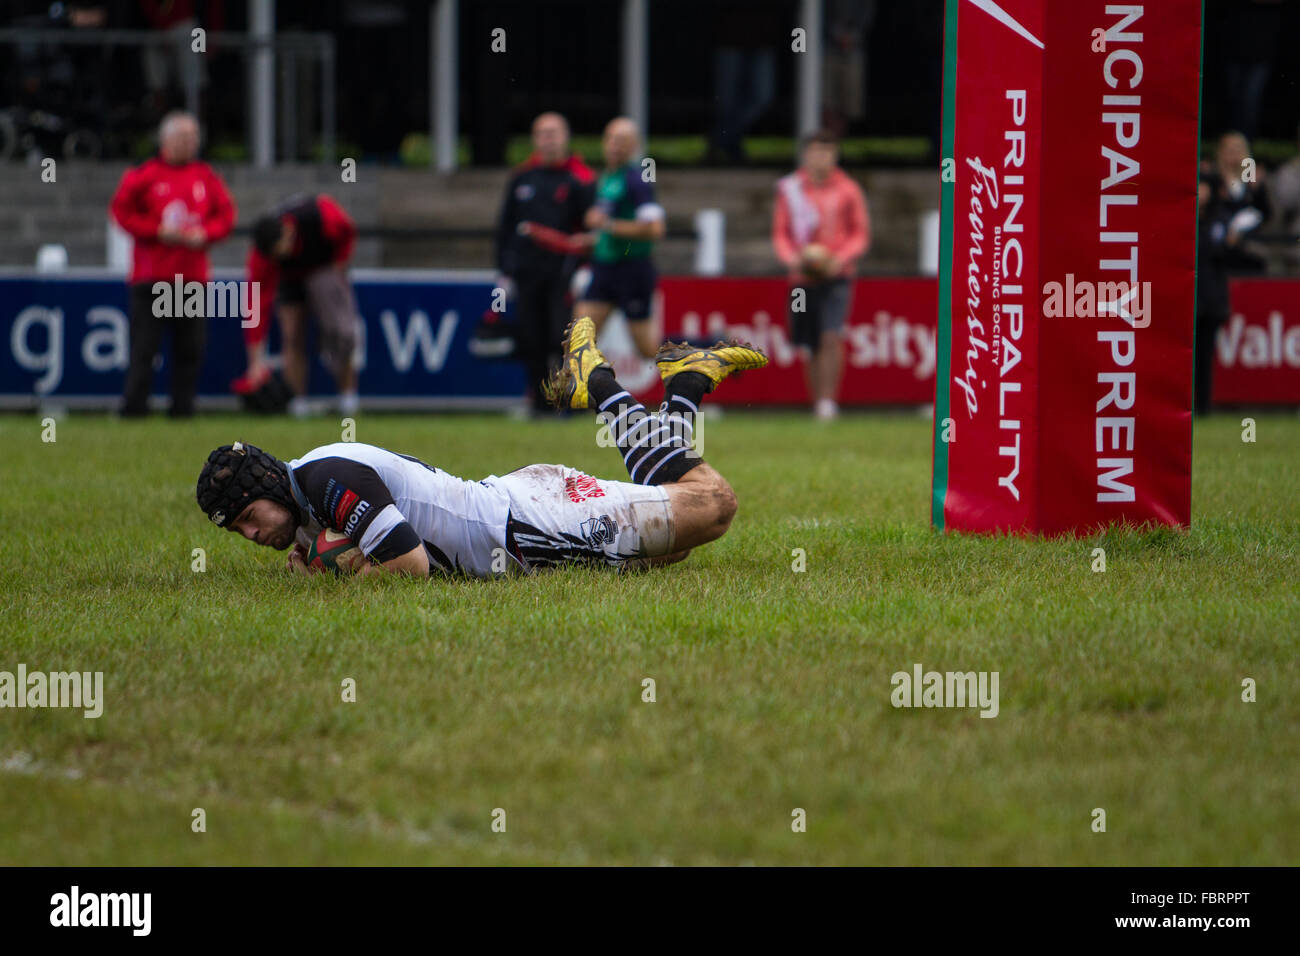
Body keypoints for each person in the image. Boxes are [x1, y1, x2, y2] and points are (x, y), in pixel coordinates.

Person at [195, 319, 768, 578]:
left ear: (270, 484)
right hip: (519, 510)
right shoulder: (305, 497)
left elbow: (410, 567)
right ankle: (685, 382)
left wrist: (337, 575)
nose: (252, 535)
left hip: (532, 525)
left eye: (249, 516)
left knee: (713, 506)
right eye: (237, 531)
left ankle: (605, 382)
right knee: (670, 554)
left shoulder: (324, 480)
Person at [109, 111, 235, 418]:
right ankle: (134, 408)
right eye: (184, 137)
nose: (190, 144)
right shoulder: (144, 175)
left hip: (191, 278)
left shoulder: (205, 176)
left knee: (189, 349)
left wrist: (205, 235)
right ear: (166, 140)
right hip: (152, 278)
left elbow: (226, 216)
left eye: (193, 138)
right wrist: (156, 231)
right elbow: (122, 212)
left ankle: (183, 409)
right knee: (144, 348)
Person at [493, 112, 595, 414]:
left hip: (564, 273)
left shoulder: (582, 179)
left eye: (554, 133)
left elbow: (592, 229)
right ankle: (538, 403)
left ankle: (569, 403)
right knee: (530, 338)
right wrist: (504, 272)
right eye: (542, 134)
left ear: (565, 137)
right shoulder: (521, 177)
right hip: (527, 273)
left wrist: (586, 267)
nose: (548, 140)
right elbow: (505, 228)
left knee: (560, 338)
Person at [771, 129, 870, 420]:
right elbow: (781, 233)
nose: (821, 158)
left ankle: (829, 401)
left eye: (827, 152)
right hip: (802, 279)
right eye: (815, 151)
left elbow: (859, 234)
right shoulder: (791, 189)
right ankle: (817, 401)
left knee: (831, 334)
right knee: (810, 339)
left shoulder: (848, 189)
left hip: (837, 275)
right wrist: (794, 260)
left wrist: (838, 260)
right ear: (806, 155)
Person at [240, 194, 362, 417]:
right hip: (291, 280)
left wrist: (339, 265)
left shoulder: (319, 214)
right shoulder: (263, 257)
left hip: (324, 268)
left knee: (341, 332)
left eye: (281, 250)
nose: (280, 256)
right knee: (291, 334)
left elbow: (348, 230)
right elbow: (256, 306)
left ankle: (348, 398)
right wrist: (255, 363)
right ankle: (297, 401)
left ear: (287, 233)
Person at [571, 117, 665, 360]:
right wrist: (594, 239)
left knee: (648, 351)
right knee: (579, 342)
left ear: (634, 146)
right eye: (611, 139)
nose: (615, 145)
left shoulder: (638, 181)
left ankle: (709, 347)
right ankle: (590, 396)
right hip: (604, 268)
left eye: (622, 141)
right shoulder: (605, 178)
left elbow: (655, 229)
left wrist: (608, 225)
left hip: (632, 270)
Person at [1195, 170, 1234, 416]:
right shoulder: (1185, 218)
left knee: (1205, 355)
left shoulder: (1219, 220)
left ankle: (1203, 406)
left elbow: (1224, 255)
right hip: (1190, 297)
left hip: (1210, 298)